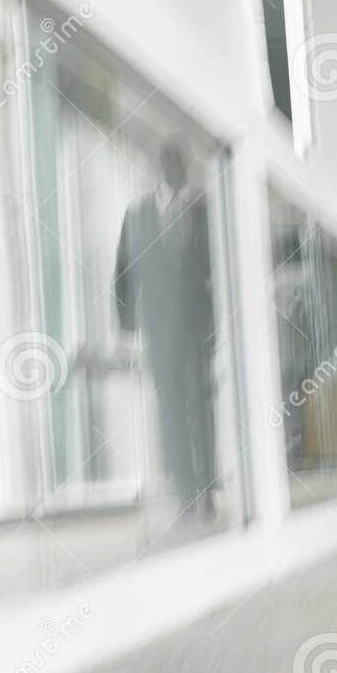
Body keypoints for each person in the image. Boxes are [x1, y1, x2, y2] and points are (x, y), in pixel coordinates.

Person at [115, 141, 217, 517]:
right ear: (160, 166)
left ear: (185, 167)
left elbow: (218, 270)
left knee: (200, 409)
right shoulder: (137, 213)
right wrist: (128, 327)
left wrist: (220, 324)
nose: (174, 168)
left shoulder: (204, 210)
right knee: (170, 411)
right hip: (159, 333)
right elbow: (123, 272)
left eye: (179, 162)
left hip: (196, 329)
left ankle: (206, 490)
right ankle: (185, 493)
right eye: (168, 162)